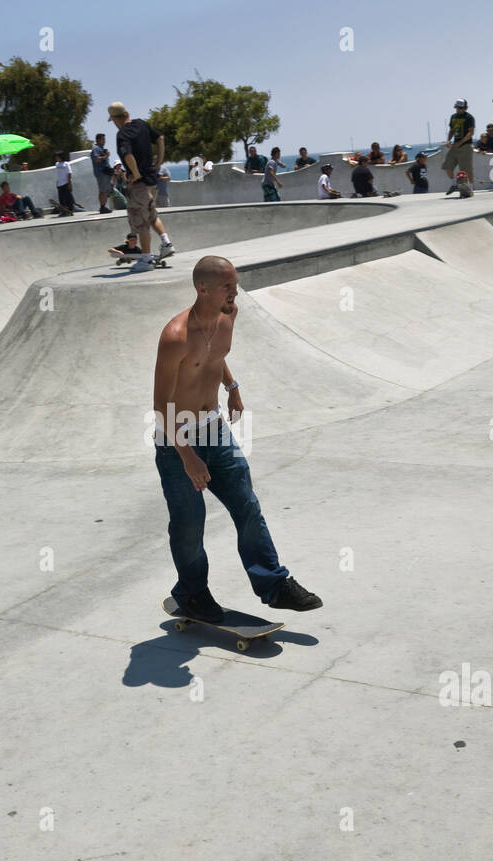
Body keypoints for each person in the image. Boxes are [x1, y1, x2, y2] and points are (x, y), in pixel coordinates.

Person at [152, 255, 323, 621]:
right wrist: (187, 457)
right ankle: (192, 593)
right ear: (203, 289)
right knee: (189, 523)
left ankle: (275, 586)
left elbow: (215, 355)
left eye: (236, 282)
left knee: (246, 506)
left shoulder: (229, 315)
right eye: (228, 285)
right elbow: (160, 405)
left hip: (215, 430)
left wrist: (232, 386)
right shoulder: (175, 337)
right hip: (176, 439)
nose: (236, 290)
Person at [110, 100, 173, 270]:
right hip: (152, 180)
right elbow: (160, 138)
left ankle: (145, 260)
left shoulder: (122, 134)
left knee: (140, 221)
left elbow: (127, 154)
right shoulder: (142, 124)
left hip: (138, 184)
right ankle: (166, 242)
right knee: (152, 215)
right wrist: (158, 162)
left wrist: (135, 173)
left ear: (115, 119)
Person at [443, 99, 476, 192]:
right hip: (455, 146)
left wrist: (460, 142)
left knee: (466, 169)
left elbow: (471, 132)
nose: (458, 109)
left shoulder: (469, 117)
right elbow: (452, 130)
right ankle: (454, 184)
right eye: (457, 107)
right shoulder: (453, 117)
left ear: (465, 108)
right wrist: (448, 140)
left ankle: (471, 186)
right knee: (447, 166)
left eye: (461, 108)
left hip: (466, 146)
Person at [92, 133, 115, 213]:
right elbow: (96, 159)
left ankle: (103, 206)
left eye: (104, 139)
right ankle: (102, 207)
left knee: (106, 190)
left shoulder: (101, 148)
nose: (104, 141)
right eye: (103, 139)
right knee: (103, 190)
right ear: (98, 140)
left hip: (105, 173)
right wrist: (106, 156)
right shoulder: (96, 148)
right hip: (101, 173)